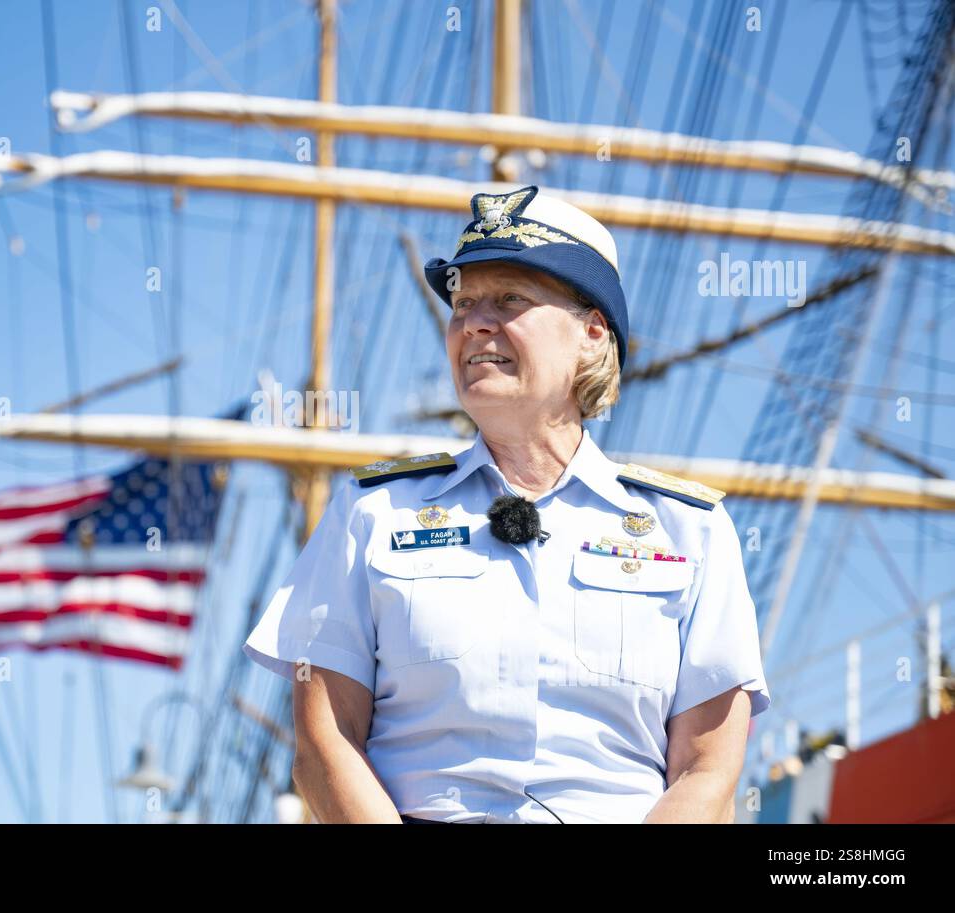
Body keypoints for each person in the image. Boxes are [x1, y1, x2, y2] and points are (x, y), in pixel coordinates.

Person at [242, 185, 770, 824]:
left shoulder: (691, 530)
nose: (474, 323)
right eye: (462, 303)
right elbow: (325, 745)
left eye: (510, 299)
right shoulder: (371, 514)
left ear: (591, 332)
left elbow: (707, 769)